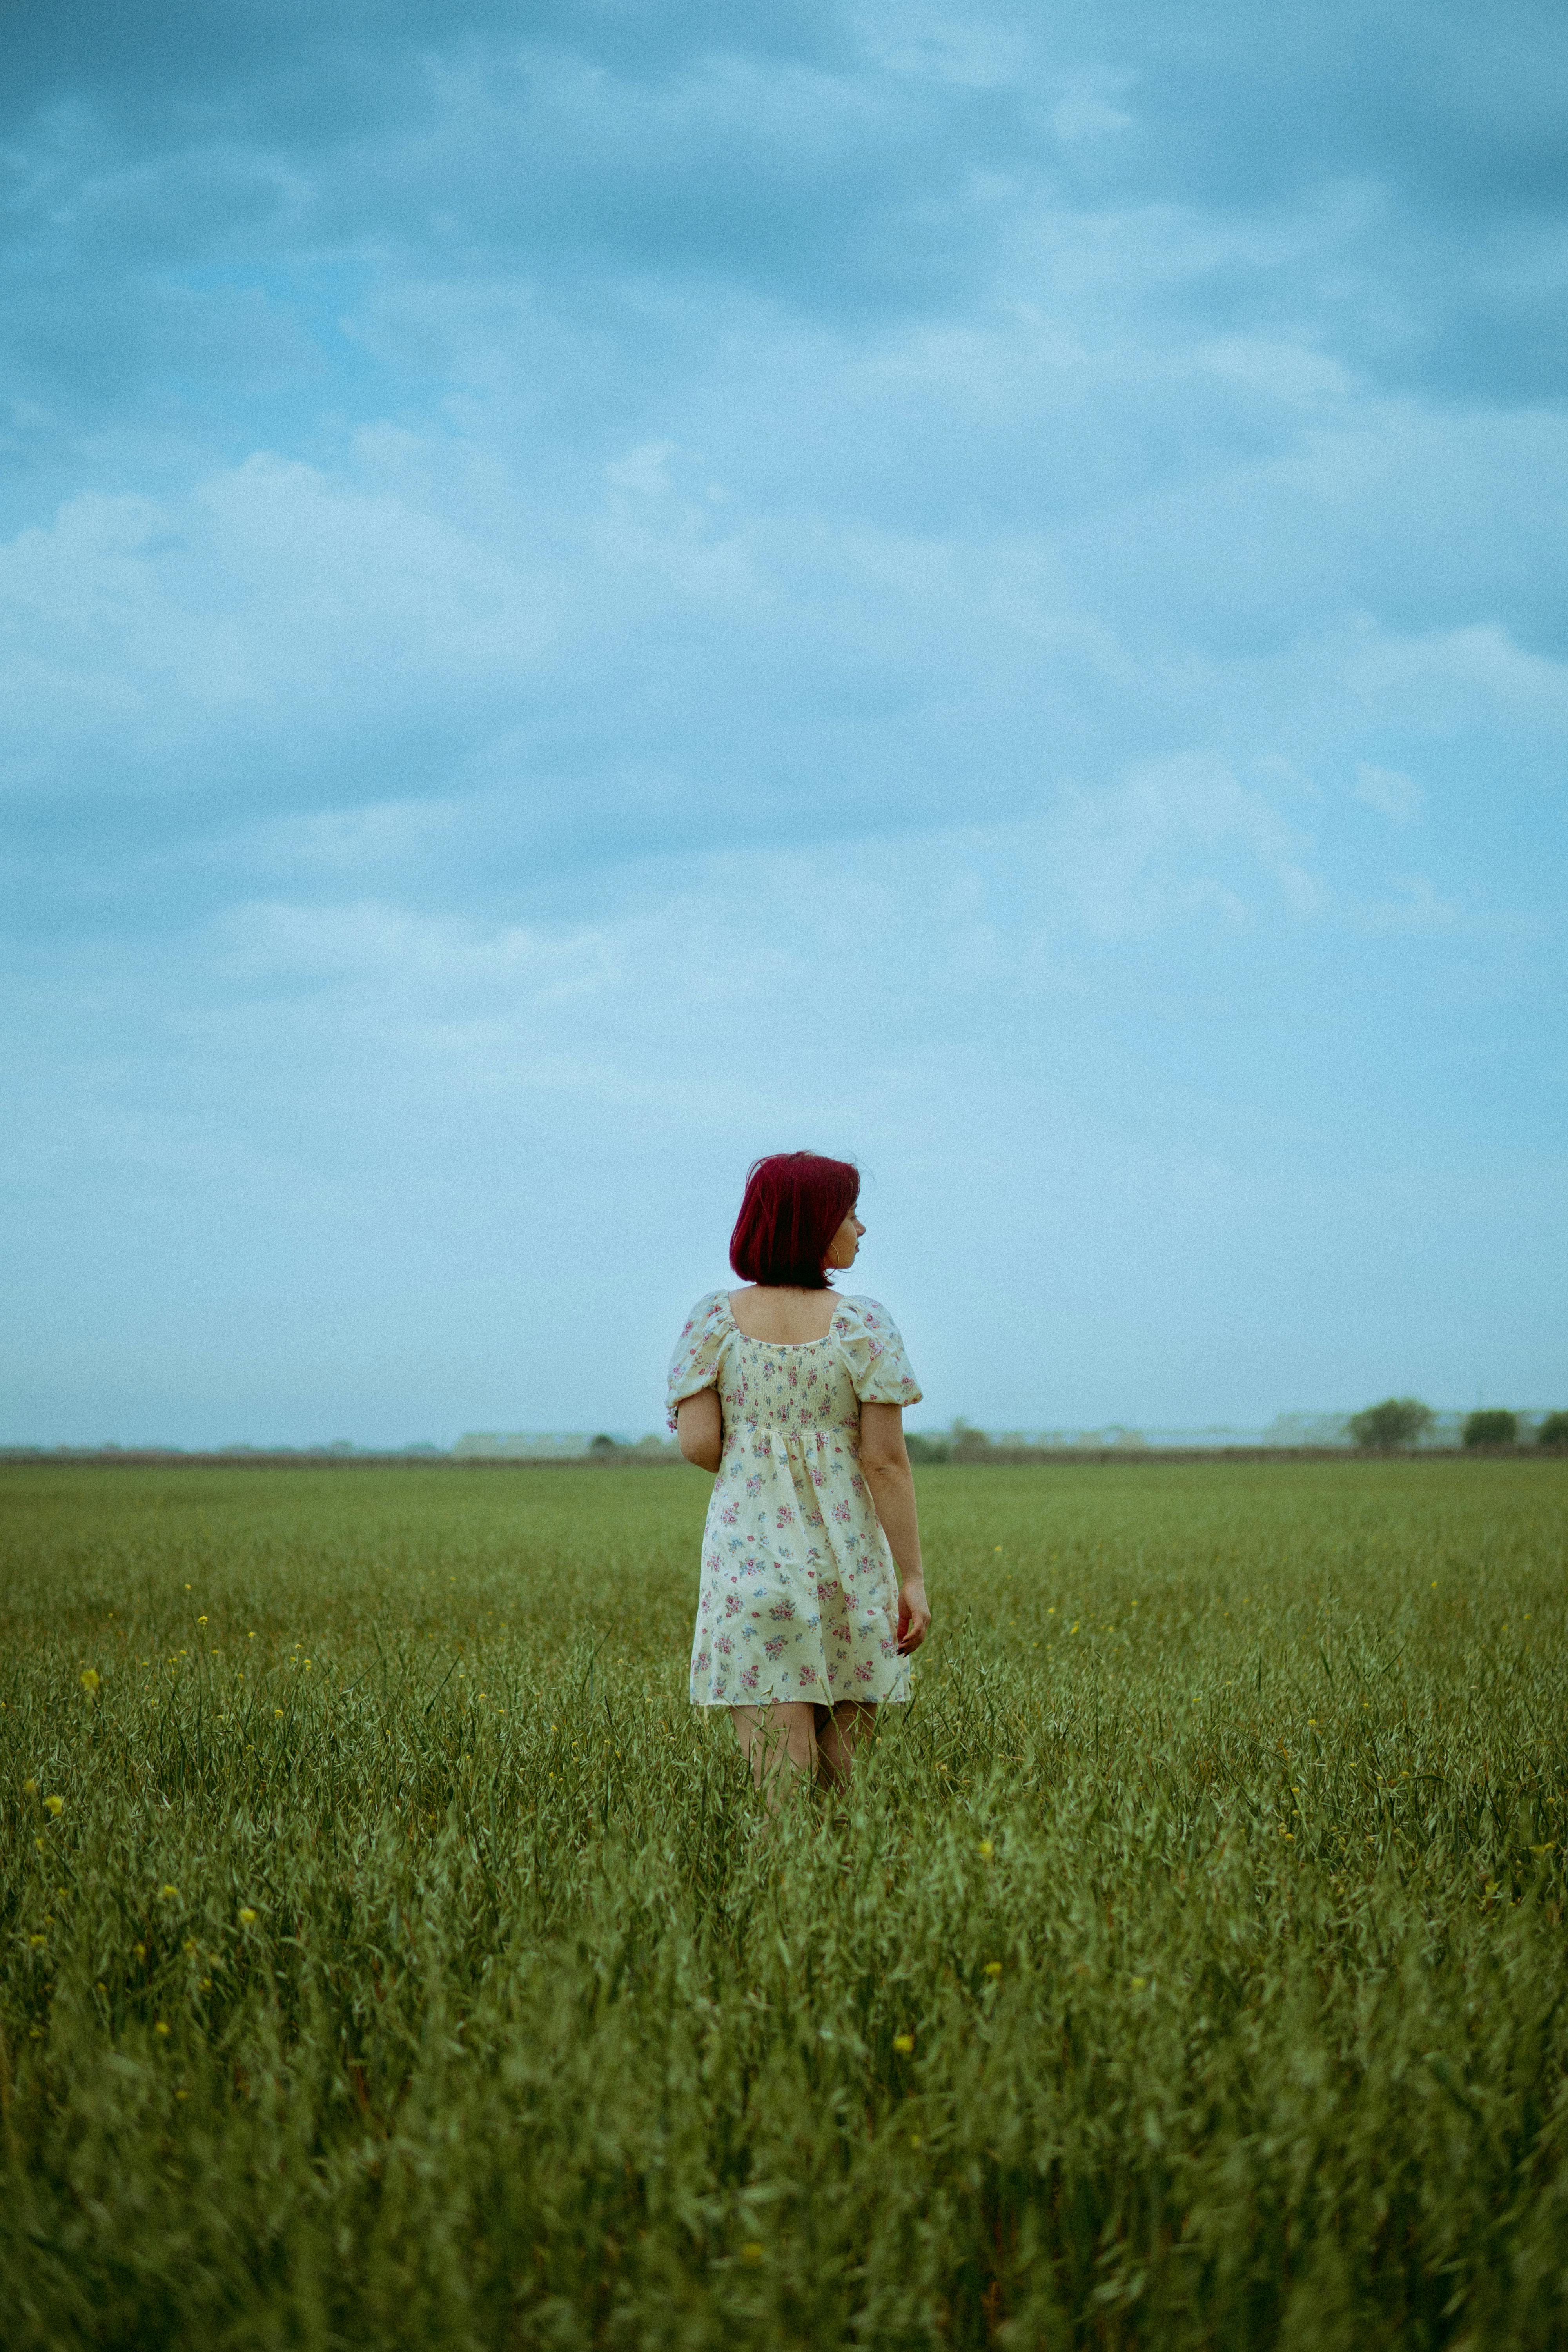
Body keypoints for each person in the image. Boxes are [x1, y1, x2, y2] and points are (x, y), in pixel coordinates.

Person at [666, 1151, 931, 1800]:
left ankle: (780, 1899)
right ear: (815, 1224)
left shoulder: (713, 1322)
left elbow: (700, 1447)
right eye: (852, 1214)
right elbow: (885, 1463)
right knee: (845, 1788)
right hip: (849, 1571)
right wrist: (914, 1579)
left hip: (750, 1567)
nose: (861, 1230)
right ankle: (841, 1901)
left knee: (779, 1789)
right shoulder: (864, 1325)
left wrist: (758, 1440)